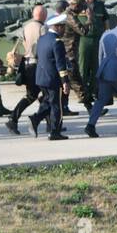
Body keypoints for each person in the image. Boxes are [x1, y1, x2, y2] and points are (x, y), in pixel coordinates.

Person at [5, 4, 47, 134]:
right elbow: (45, 48)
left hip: (27, 64)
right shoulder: (43, 28)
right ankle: (50, 123)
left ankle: (13, 119)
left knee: (31, 96)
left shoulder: (25, 27)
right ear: (44, 16)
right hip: (38, 65)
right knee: (48, 95)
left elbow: (23, 44)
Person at [29, 12, 69, 140]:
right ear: (57, 27)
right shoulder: (57, 42)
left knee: (48, 102)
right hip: (53, 78)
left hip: (41, 77)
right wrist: (65, 81)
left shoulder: (42, 38)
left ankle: (35, 119)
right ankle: (55, 132)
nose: (64, 30)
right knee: (57, 105)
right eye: (63, 27)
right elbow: (60, 64)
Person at [78, 0, 106, 108]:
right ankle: (84, 95)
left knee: (96, 68)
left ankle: (94, 93)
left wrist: (106, 35)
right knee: (83, 68)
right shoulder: (78, 5)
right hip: (83, 40)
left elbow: (105, 19)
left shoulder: (99, 5)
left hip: (97, 40)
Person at [60, 0, 91, 113]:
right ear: (76, 6)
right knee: (77, 82)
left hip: (66, 54)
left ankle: (64, 107)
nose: (83, 10)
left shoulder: (66, 14)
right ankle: (90, 108)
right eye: (82, 7)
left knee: (68, 81)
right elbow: (83, 31)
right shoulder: (70, 17)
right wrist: (89, 19)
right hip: (69, 55)